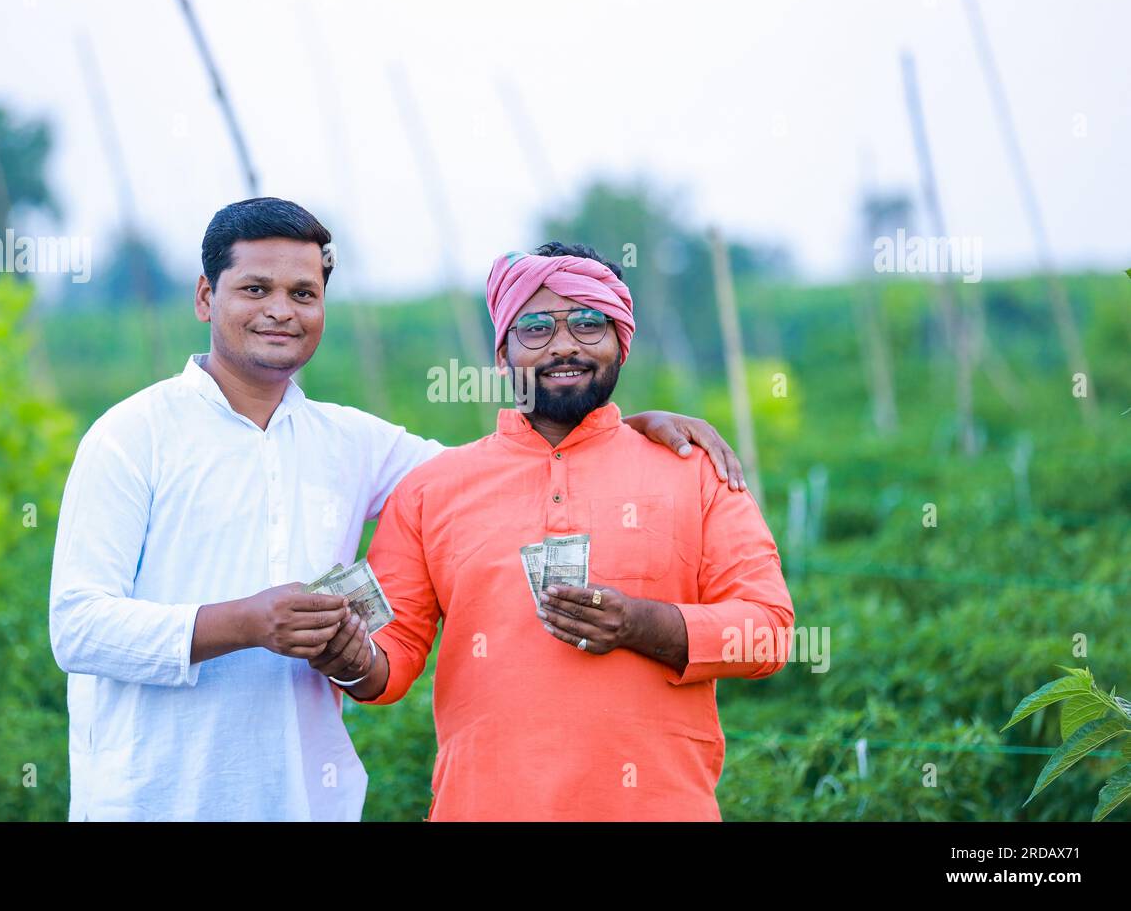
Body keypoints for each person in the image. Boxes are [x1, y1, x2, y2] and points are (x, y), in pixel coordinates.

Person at [48, 198, 747, 821]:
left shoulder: (352, 441)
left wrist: (622, 425)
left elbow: (505, 470)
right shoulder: (131, 437)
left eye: (303, 291)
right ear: (206, 296)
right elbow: (76, 627)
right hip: (157, 794)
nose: (281, 310)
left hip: (305, 798)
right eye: (255, 289)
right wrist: (246, 622)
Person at [337, 242, 795, 821]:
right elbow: (392, 658)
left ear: (621, 341)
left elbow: (768, 633)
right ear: (502, 353)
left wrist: (639, 623)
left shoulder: (695, 468)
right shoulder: (432, 488)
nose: (563, 345)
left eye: (588, 322)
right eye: (534, 328)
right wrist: (344, 652)